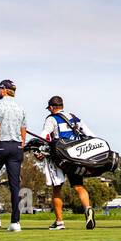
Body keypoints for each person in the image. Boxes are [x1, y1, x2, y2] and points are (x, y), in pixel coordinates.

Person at [39, 96, 97, 231]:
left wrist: (39, 149)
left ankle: (59, 222)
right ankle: (88, 209)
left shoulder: (51, 119)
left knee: (57, 188)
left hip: (59, 158)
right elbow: (90, 135)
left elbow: (44, 135)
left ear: (52, 108)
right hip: (76, 157)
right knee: (79, 186)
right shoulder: (75, 118)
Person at [0, 79, 27, 232]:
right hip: (16, 147)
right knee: (15, 185)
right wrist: (21, 146)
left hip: (2, 146)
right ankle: (15, 222)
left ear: (4, 90)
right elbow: (23, 130)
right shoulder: (21, 107)